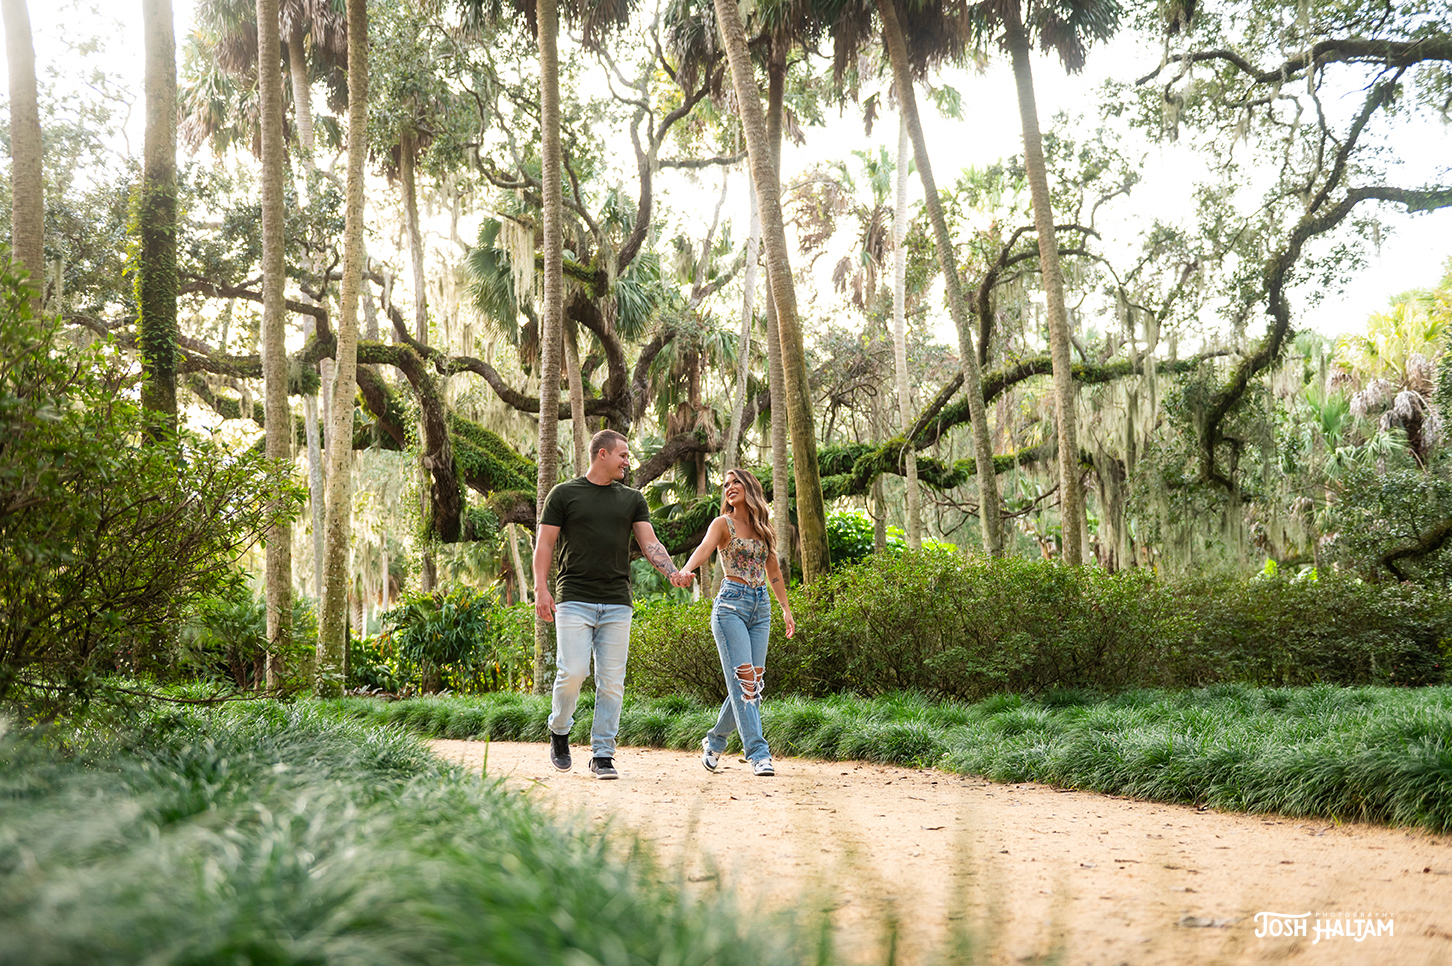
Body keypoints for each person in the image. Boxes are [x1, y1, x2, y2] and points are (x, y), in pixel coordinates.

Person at [534, 429, 684, 780]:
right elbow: (544, 545)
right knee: (573, 672)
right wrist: (542, 589)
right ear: (602, 454)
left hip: (617, 601)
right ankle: (559, 730)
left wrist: (673, 572)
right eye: (623, 455)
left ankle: (603, 754)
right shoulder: (564, 494)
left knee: (612, 682)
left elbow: (650, 544)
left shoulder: (632, 499)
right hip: (574, 598)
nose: (627, 462)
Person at [672, 468, 795, 776]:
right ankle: (758, 753)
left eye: (735, 482)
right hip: (731, 605)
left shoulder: (764, 528)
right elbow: (704, 548)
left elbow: (774, 572)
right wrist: (686, 570)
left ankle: (714, 741)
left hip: (761, 607)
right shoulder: (722, 524)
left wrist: (786, 609)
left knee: (753, 682)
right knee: (746, 683)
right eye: (725, 485)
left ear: (749, 486)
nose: (729, 488)